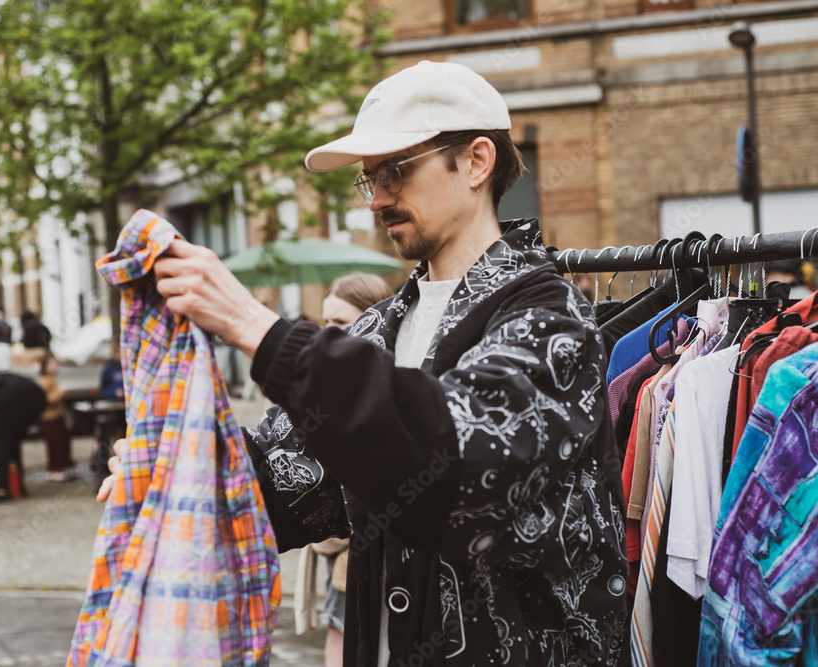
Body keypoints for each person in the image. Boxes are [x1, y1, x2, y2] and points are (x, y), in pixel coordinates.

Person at [104, 61, 627, 665]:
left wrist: (256, 327)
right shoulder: (379, 329)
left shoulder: (551, 320)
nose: (377, 198)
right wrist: (174, 468)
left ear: (478, 162)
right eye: (368, 179)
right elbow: (289, 483)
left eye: (397, 171)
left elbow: (453, 462)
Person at [311, 273, 396, 667]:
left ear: (373, 319)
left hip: (368, 549)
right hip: (339, 551)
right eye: (325, 322)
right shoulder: (333, 378)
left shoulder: (388, 384)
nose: (329, 333)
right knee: (341, 637)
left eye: (340, 323)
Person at [0, 372, 47, 500]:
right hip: (35, 396)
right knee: (11, 440)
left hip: (18, 398)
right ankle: (17, 487)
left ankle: (2, 489)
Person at [37, 352, 74, 481]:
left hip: (58, 415)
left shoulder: (52, 379)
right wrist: (60, 392)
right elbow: (47, 399)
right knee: (54, 444)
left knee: (63, 441)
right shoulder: (43, 381)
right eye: (53, 364)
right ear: (45, 366)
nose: (56, 367)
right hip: (49, 417)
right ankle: (55, 469)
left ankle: (64, 465)